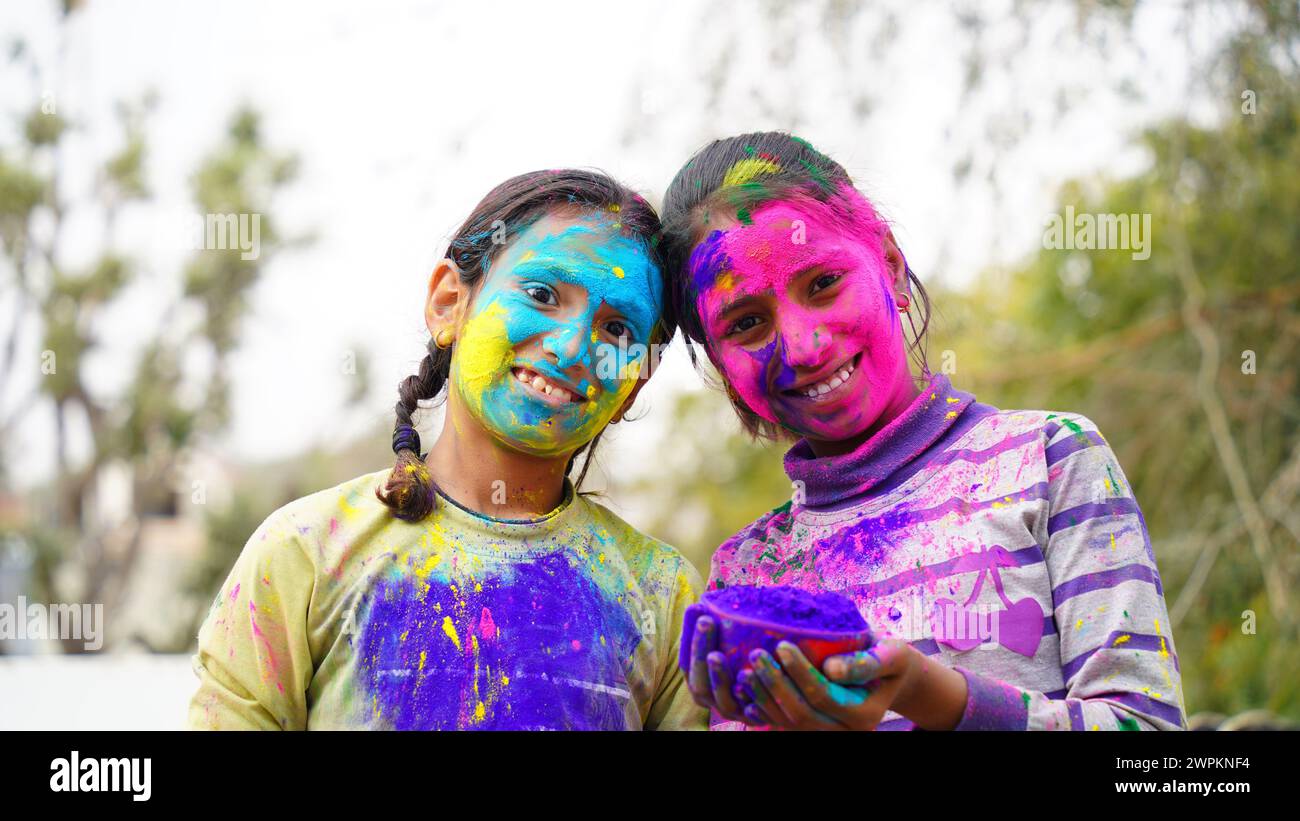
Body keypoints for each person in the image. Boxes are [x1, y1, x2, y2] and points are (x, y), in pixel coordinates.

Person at [658, 132, 1186, 731]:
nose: (804, 347)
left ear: (890, 265)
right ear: (722, 366)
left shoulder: (1050, 460)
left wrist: (929, 694)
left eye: (823, 284)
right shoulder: (750, 572)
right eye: (748, 322)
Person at [187, 169, 705, 731]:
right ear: (448, 302)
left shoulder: (663, 597)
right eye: (542, 294)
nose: (574, 346)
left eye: (618, 330)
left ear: (636, 382)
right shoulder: (303, 555)